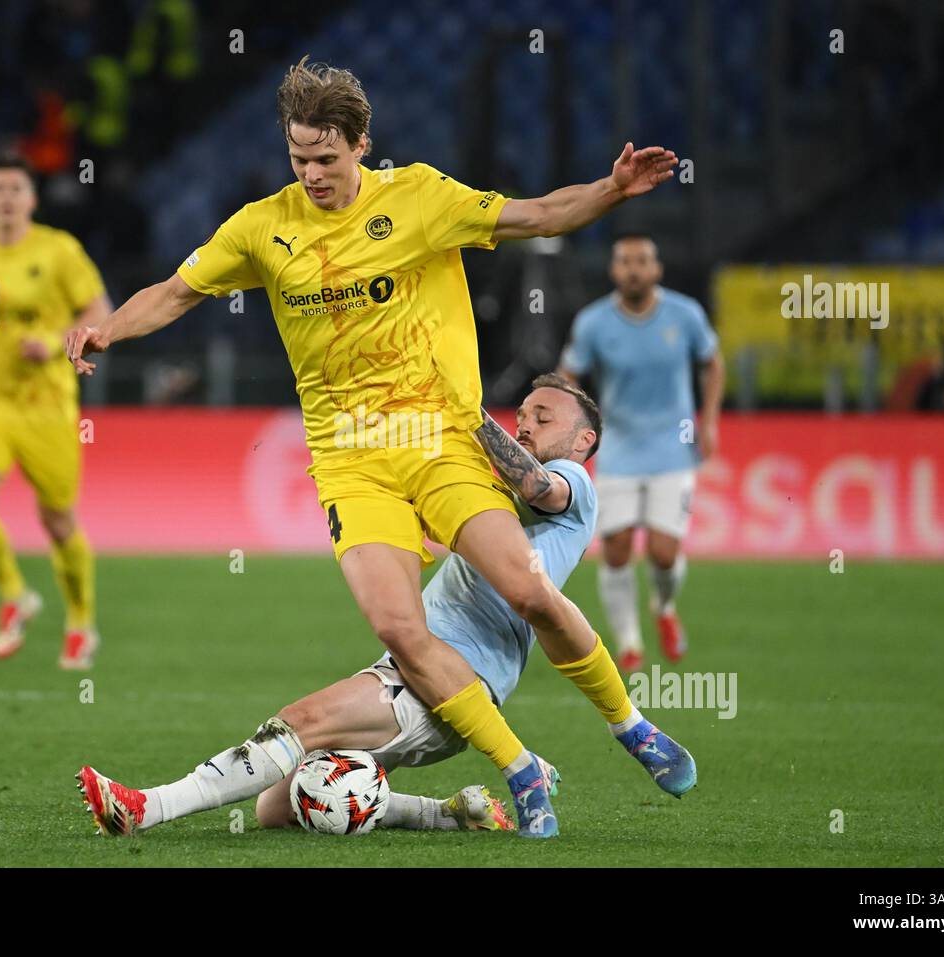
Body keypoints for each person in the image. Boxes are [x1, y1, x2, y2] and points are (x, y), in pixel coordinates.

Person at [67, 57, 678, 837]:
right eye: (300, 159)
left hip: (439, 441)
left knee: (527, 592)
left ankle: (632, 727)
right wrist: (108, 328)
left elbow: (536, 216)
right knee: (397, 628)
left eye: (327, 157)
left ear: (361, 145)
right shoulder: (263, 226)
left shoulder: (421, 196)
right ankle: (522, 772)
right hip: (350, 461)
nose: (313, 174)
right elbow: (179, 291)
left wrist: (610, 190)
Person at [76, 377, 696, 837]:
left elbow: (536, 483)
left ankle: (146, 807)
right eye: (522, 414)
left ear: (584, 440)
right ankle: (452, 814)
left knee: (300, 720)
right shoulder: (489, 500)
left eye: (543, 417)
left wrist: (465, 410)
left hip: (442, 674)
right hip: (432, 688)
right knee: (282, 807)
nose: (525, 425)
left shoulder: (574, 484)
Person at [0, 156, 112, 669]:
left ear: (31, 200)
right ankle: (15, 594)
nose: (6, 197)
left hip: (46, 404)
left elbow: (99, 311)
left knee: (57, 521)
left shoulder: (58, 250)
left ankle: (80, 622)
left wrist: (55, 343)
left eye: (16, 188)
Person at [557, 235, 724, 670]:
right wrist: (572, 426)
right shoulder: (594, 322)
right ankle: (629, 643)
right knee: (615, 549)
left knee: (664, 554)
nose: (633, 269)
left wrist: (708, 420)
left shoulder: (684, 314)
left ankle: (664, 609)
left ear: (656, 269)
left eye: (642, 261)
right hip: (618, 450)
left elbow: (713, 362)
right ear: (614, 271)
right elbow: (568, 374)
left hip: (674, 448)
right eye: (625, 261)